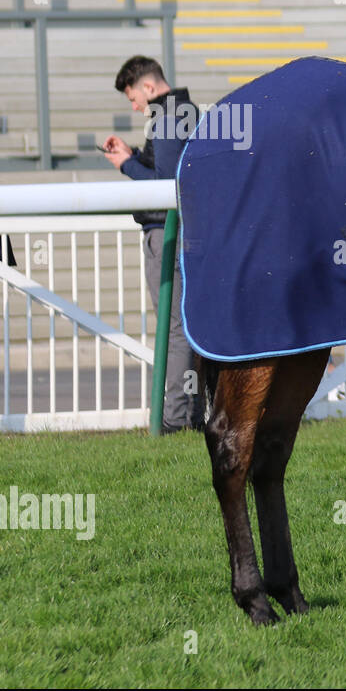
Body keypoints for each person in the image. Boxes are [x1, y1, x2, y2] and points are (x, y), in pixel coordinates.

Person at [101, 56, 203, 434]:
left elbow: (165, 186)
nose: (133, 106)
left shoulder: (168, 116)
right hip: (182, 234)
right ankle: (189, 415)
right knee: (185, 329)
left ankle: (175, 420)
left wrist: (126, 165)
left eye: (132, 98)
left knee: (175, 329)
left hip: (168, 234)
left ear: (147, 87)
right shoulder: (183, 111)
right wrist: (133, 155)